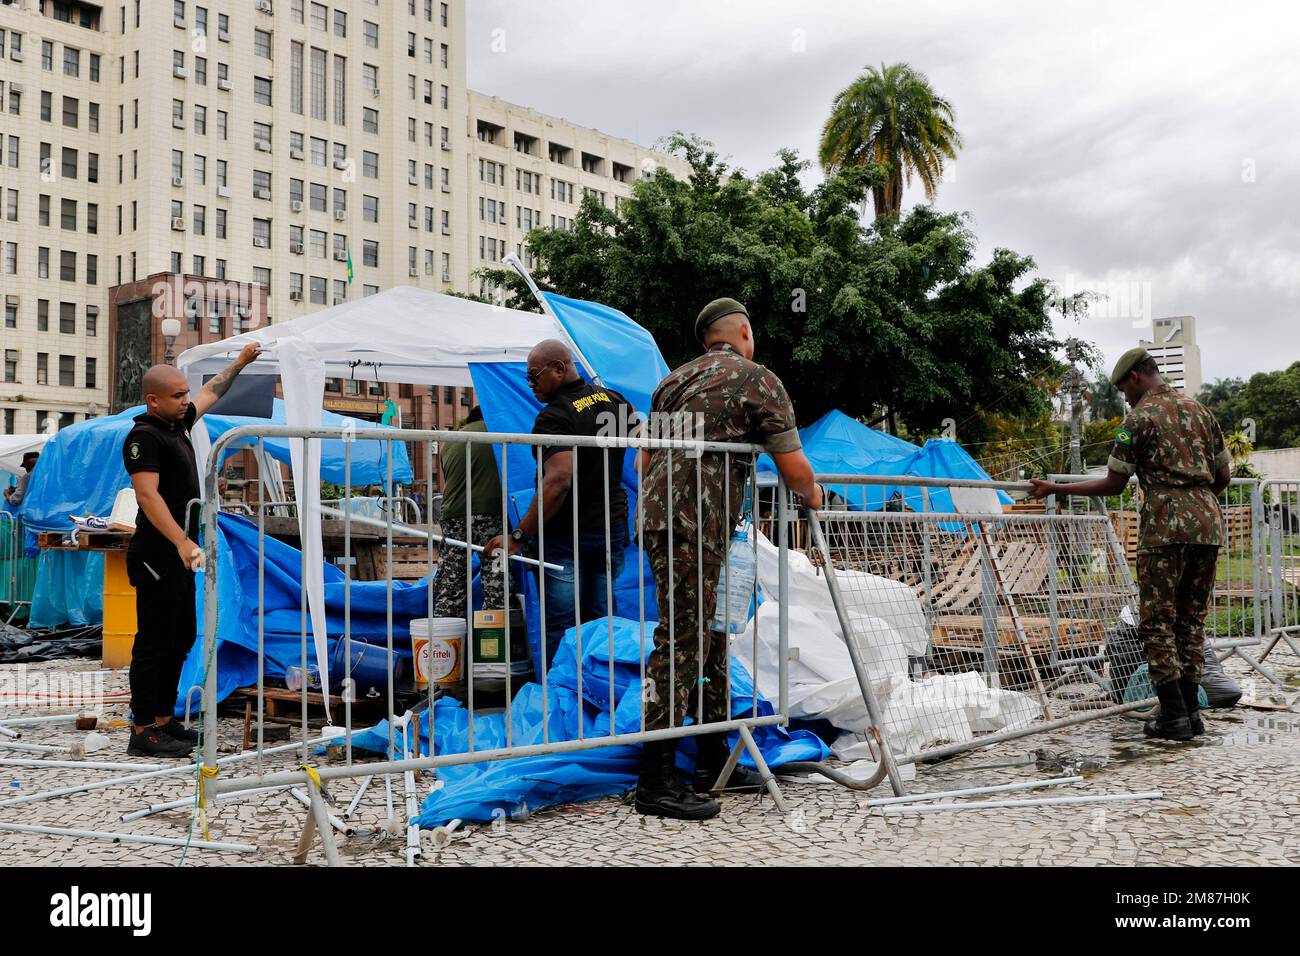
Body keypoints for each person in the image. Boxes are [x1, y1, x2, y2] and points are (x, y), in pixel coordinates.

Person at [633, 298, 824, 820]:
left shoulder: (672, 382)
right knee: (682, 642)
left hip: (665, 518)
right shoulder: (757, 379)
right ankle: (656, 779)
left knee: (710, 636)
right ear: (744, 332)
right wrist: (813, 495)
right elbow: (795, 468)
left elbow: (644, 456)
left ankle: (711, 757)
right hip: (692, 523)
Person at [1030, 348, 1230, 741]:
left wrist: (1055, 486)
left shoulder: (1136, 421)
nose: (1124, 397)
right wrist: (1197, 498)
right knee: (1191, 621)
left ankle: (1173, 717)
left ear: (1137, 377)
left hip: (1165, 528)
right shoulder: (1202, 412)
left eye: (1124, 388)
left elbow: (1114, 483)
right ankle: (1191, 714)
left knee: (1156, 622)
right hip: (1208, 526)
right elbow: (1222, 475)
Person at [122, 346, 261, 757]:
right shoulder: (143, 437)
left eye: (186, 394)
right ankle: (142, 727)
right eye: (178, 395)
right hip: (156, 552)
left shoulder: (177, 424)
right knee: (154, 641)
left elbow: (213, 391)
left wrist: (240, 363)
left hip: (179, 552)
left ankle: (164, 719)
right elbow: (147, 496)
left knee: (180, 635)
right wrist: (181, 541)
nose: (187, 400)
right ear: (154, 400)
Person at [484, 340, 635, 668]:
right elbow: (644, 441)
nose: (531, 385)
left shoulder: (554, 417)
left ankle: (561, 699)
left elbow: (558, 481)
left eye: (535, 376)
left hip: (567, 537)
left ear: (559, 368)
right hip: (610, 529)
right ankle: (601, 695)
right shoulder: (615, 402)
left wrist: (518, 536)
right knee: (604, 624)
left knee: (562, 627)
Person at [432, 406, 509, 617]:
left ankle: (445, 643)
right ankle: (495, 639)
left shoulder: (451, 441)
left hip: (453, 516)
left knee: (451, 584)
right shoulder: (500, 433)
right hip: (491, 514)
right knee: (497, 583)